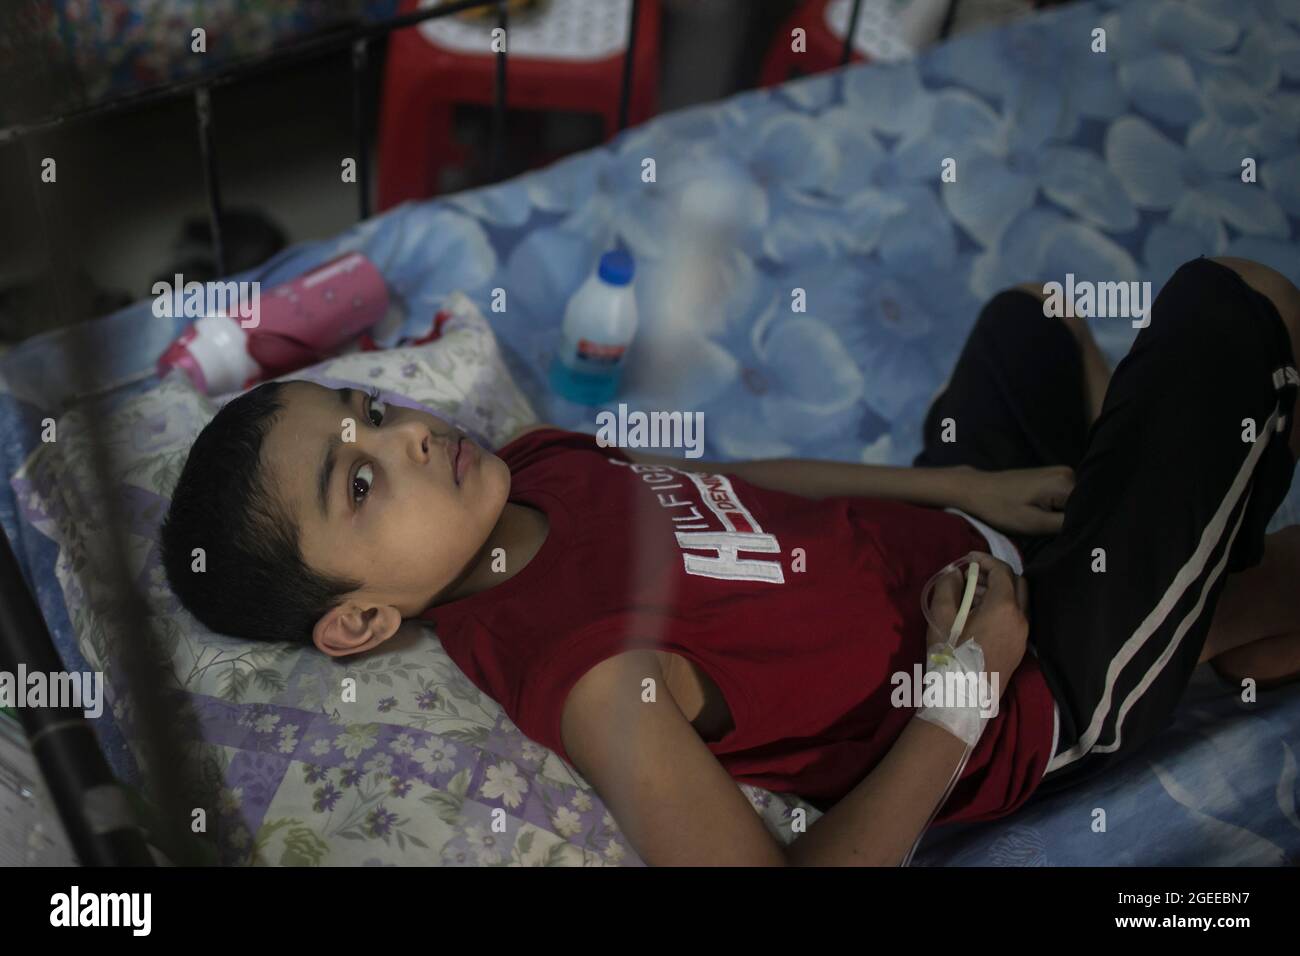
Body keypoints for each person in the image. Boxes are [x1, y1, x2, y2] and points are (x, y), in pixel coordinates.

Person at [159, 255, 1300, 866]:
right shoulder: (588, 673)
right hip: (1032, 682)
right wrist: (965, 689)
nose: (405, 431)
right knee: (1245, 303)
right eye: (359, 483)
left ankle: (1192, 588)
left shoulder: (530, 462)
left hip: (965, 538)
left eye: (365, 404)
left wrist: (960, 485)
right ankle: (1197, 615)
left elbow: (746, 485)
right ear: (358, 623)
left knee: (1034, 315)